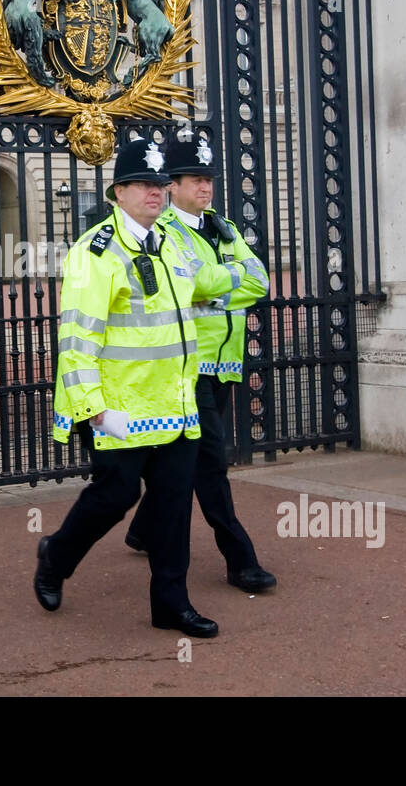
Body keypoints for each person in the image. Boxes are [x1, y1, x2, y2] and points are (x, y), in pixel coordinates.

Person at [34, 136, 264, 639]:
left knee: (175, 502)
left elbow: (223, 286)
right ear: (119, 191)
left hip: (177, 403)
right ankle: (56, 555)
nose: (154, 193)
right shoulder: (96, 252)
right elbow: (77, 337)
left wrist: (219, 294)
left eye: (159, 184)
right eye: (142, 184)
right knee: (115, 496)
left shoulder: (174, 246)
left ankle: (171, 604)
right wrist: (91, 406)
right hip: (120, 404)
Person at [123, 131, 276, 595]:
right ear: (171, 185)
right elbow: (190, 285)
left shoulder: (223, 227)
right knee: (212, 463)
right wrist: (228, 282)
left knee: (190, 459)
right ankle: (240, 557)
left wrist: (217, 285)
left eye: (208, 179)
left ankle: (143, 529)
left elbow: (261, 281)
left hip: (224, 362)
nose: (205, 188)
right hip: (189, 365)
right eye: (195, 179)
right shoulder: (166, 232)